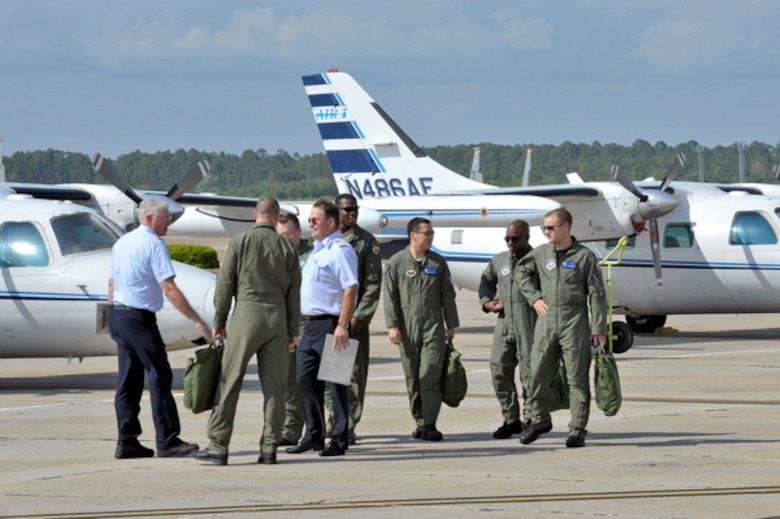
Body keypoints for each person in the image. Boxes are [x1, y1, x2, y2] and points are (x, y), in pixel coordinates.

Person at [191, 197, 301, 466]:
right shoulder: (287, 248)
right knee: (275, 388)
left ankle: (218, 445)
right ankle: (269, 448)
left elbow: (224, 284)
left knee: (229, 381)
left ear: (255, 215)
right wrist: (291, 329)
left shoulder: (239, 242)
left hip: (246, 313)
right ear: (276, 217)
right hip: (276, 318)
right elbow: (294, 293)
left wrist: (219, 321)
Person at [109, 198, 212, 459]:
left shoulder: (122, 242)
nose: (169, 222)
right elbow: (168, 288)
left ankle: (127, 440)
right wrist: (198, 321)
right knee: (160, 374)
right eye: (165, 218)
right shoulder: (153, 244)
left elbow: (112, 282)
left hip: (120, 316)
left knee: (128, 381)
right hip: (138, 319)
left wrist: (114, 313)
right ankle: (167, 440)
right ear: (149, 218)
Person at [516, 208, 607, 448]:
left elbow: (597, 294)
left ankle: (577, 430)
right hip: (546, 321)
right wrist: (535, 297)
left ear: (565, 227)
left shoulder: (584, 257)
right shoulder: (541, 253)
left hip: (574, 321)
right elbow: (521, 272)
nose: (546, 232)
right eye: (544, 228)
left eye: (550, 228)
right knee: (536, 373)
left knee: (577, 378)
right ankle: (540, 420)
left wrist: (599, 329)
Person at [286, 198, 358, 457]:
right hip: (310, 327)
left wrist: (342, 324)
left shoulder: (340, 249)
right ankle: (314, 435)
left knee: (337, 385)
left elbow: (351, 287)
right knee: (304, 380)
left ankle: (339, 439)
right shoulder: (317, 250)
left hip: (332, 324)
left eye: (315, 220)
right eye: (309, 220)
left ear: (330, 222)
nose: (310, 224)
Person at [383, 217, 459, 441]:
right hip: (407, 329)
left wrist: (451, 323)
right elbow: (390, 297)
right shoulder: (396, 263)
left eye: (432, 233)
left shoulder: (437, 263)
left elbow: (448, 294)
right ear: (413, 235)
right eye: (427, 233)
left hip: (433, 327)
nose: (431, 237)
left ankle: (429, 423)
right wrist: (392, 326)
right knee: (413, 379)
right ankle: (419, 420)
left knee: (430, 377)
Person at [324, 194, 382, 445]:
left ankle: (348, 425)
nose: (352, 213)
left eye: (354, 209)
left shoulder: (366, 242)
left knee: (354, 376)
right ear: (336, 212)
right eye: (347, 209)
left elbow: (372, 285)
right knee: (330, 372)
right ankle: (334, 419)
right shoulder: (326, 238)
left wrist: (360, 316)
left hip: (354, 320)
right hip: (328, 316)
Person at [479, 219, 535, 439]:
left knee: (530, 375)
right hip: (504, 323)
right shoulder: (500, 260)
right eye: (507, 239)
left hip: (528, 323)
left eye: (515, 239)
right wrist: (486, 301)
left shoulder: (536, 261)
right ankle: (511, 420)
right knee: (499, 369)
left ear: (526, 238)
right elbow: (486, 280)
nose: (510, 243)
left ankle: (531, 420)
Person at [275, 212, 313, 447]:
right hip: (287, 324)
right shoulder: (274, 256)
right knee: (289, 380)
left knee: (324, 379)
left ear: (299, 232)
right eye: (281, 235)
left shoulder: (313, 254)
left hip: (312, 321)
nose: (286, 239)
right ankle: (291, 429)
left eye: (290, 234)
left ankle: (334, 426)